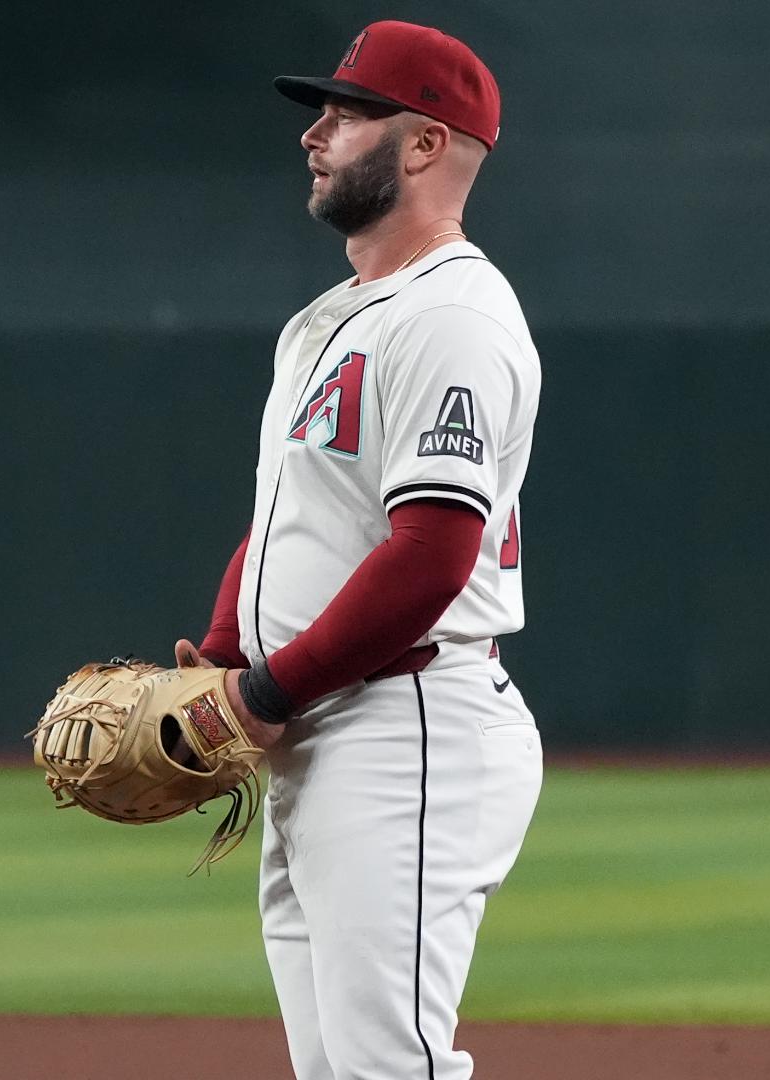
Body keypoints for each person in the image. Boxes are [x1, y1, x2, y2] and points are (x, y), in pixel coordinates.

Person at [173, 20, 543, 1079]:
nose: (317, 132)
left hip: (405, 725)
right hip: (323, 725)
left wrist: (266, 693)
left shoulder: (455, 318)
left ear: (425, 144)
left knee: (390, 1068)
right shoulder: (330, 319)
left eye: (347, 112)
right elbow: (289, 514)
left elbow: (430, 554)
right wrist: (226, 653)